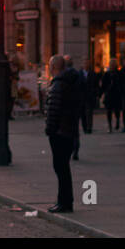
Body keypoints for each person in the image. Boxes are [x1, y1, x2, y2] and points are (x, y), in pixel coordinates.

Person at [44, 55, 82, 213]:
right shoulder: (71, 82)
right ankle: (65, 200)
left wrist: (49, 129)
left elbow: (54, 110)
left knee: (61, 168)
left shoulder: (59, 84)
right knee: (63, 167)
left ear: (54, 68)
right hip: (69, 129)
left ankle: (64, 202)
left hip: (60, 131)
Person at [101, 58, 123, 131]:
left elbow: (121, 83)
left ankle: (117, 121)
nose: (113, 65)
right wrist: (103, 92)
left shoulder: (119, 73)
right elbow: (103, 84)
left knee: (117, 110)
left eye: (114, 64)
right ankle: (110, 125)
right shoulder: (107, 74)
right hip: (109, 94)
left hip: (117, 94)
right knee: (109, 110)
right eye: (111, 64)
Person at [78, 61, 97, 134]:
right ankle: (85, 127)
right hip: (82, 96)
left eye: (87, 63)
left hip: (89, 96)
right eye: (84, 63)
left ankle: (89, 127)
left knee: (89, 112)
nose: (85, 65)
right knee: (83, 113)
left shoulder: (92, 73)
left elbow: (95, 84)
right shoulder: (79, 74)